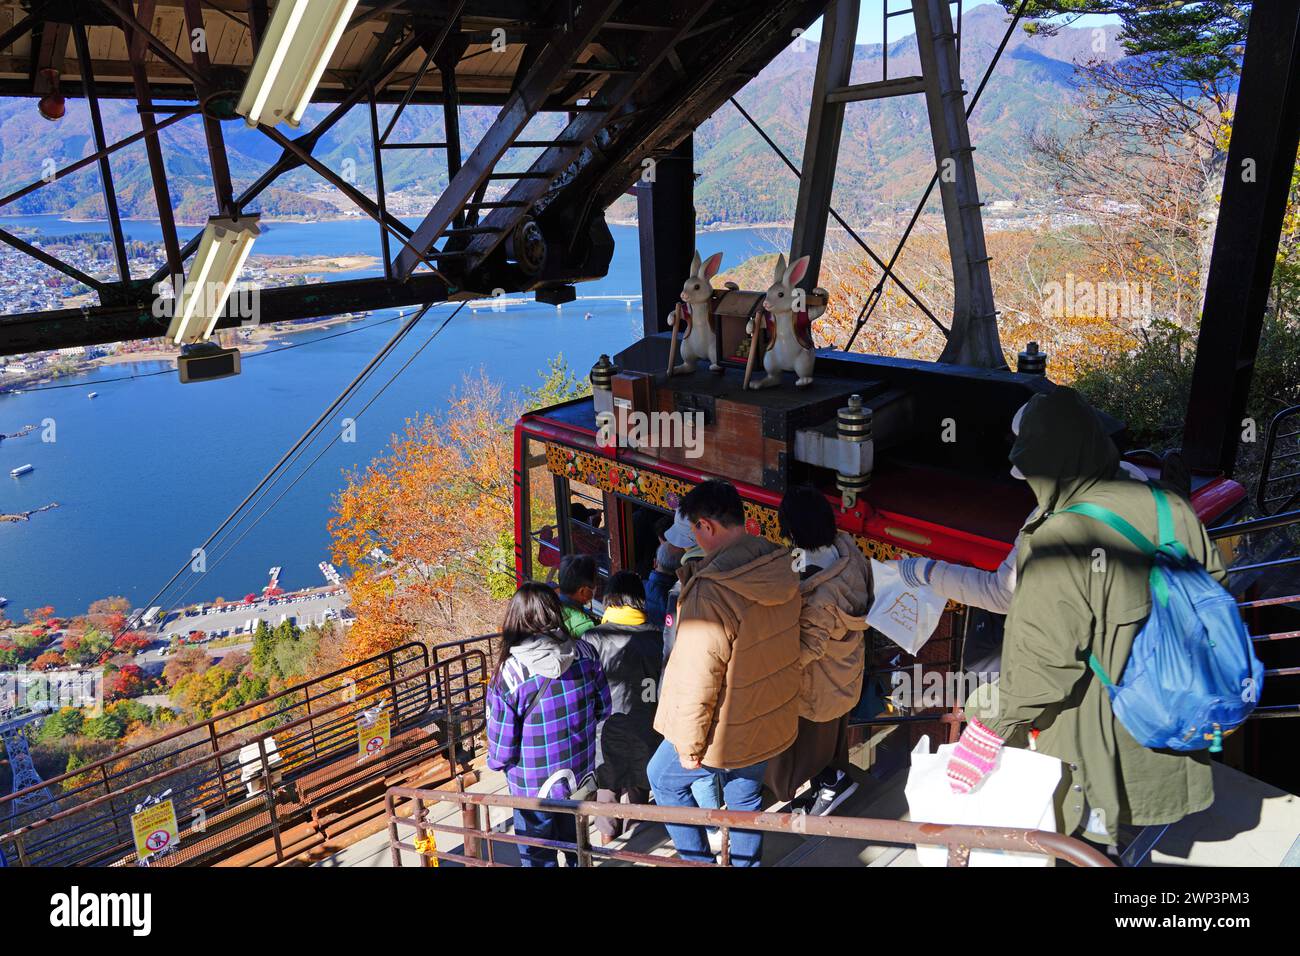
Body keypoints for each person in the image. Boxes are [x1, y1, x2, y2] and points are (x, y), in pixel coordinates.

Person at [945, 388, 1224, 849]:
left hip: (1096, 728)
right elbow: (1212, 584)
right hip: (1170, 709)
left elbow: (1043, 668)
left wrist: (988, 730)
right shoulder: (1166, 504)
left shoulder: (1058, 540)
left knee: (1084, 841)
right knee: (1128, 825)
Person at [648, 479, 801, 866]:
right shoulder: (778, 564)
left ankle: (698, 862)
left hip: (727, 729)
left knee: (663, 779)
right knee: (744, 799)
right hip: (769, 715)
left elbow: (699, 678)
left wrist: (690, 747)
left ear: (706, 527)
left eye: (693, 531)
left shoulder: (712, 592)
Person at [486, 582, 611, 867]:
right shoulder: (585, 653)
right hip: (578, 773)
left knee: (537, 854)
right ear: (555, 612)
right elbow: (604, 708)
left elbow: (502, 749)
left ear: (515, 619)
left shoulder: (509, 674)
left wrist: (496, 764)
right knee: (577, 845)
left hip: (532, 785)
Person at [765, 485, 872, 816]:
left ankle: (831, 785)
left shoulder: (818, 593)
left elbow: (807, 647)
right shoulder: (848, 553)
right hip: (845, 671)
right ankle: (832, 782)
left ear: (792, 531)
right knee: (832, 743)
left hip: (817, 686)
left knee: (799, 755)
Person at [579, 571, 665, 841]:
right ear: (640, 599)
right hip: (649, 727)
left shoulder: (593, 639)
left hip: (607, 730)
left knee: (607, 793)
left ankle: (609, 842)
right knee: (640, 788)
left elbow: (585, 691)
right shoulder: (658, 635)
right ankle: (636, 838)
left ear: (609, 599)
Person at [556, 554, 600, 639]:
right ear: (583, 591)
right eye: (594, 584)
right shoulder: (586, 627)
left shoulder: (546, 608)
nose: (595, 588)